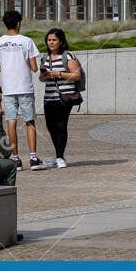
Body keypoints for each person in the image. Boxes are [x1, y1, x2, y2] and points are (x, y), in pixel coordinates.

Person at [0, 9, 42, 170]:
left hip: (8, 88)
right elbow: (34, 67)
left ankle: (16, 158)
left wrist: (7, 63)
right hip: (25, 87)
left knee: (11, 122)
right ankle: (33, 158)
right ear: (18, 23)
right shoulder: (27, 41)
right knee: (30, 121)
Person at [37, 28, 82, 170]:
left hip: (65, 96)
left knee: (61, 125)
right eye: (49, 40)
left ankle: (60, 156)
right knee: (51, 127)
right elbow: (41, 79)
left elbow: (77, 75)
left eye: (54, 40)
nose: (51, 42)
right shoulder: (44, 57)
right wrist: (44, 76)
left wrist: (59, 74)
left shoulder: (68, 56)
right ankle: (58, 156)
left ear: (61, 41)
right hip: (49, 97)